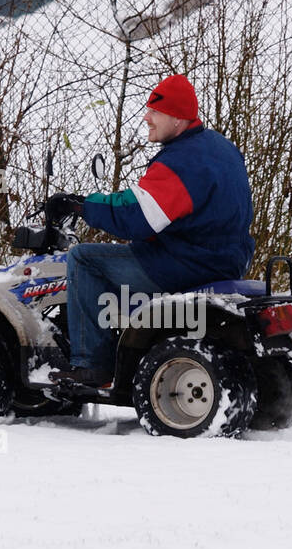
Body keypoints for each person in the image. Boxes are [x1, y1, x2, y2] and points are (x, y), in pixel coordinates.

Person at [46, 74, 254, 387]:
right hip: (225, 258)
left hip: (188, 262)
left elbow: (137, 217)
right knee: (129, 254)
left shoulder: (182, 162)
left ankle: (92, 365)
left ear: (177, 118)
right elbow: (185, 214)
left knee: (84, 259)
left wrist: (81, 206)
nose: (147, 117)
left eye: (155, 112)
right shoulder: (221, 148)